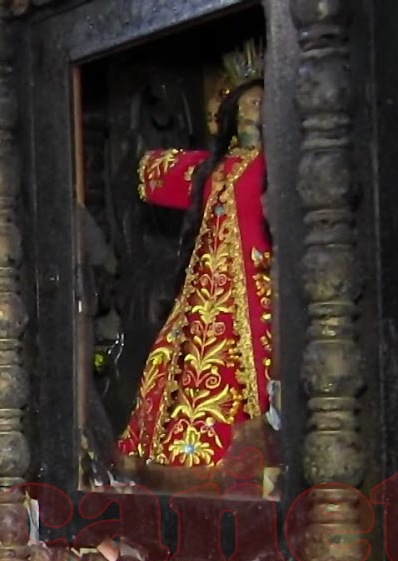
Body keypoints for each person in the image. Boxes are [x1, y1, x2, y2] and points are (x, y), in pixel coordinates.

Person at [115, 61, 274, 491]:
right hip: (204, 290)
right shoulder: (212, 170)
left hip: (258, 287)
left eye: (264, 101)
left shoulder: (273, 166)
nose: (257, 109)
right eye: (250, 101)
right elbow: (151, 174)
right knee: (178, 360)